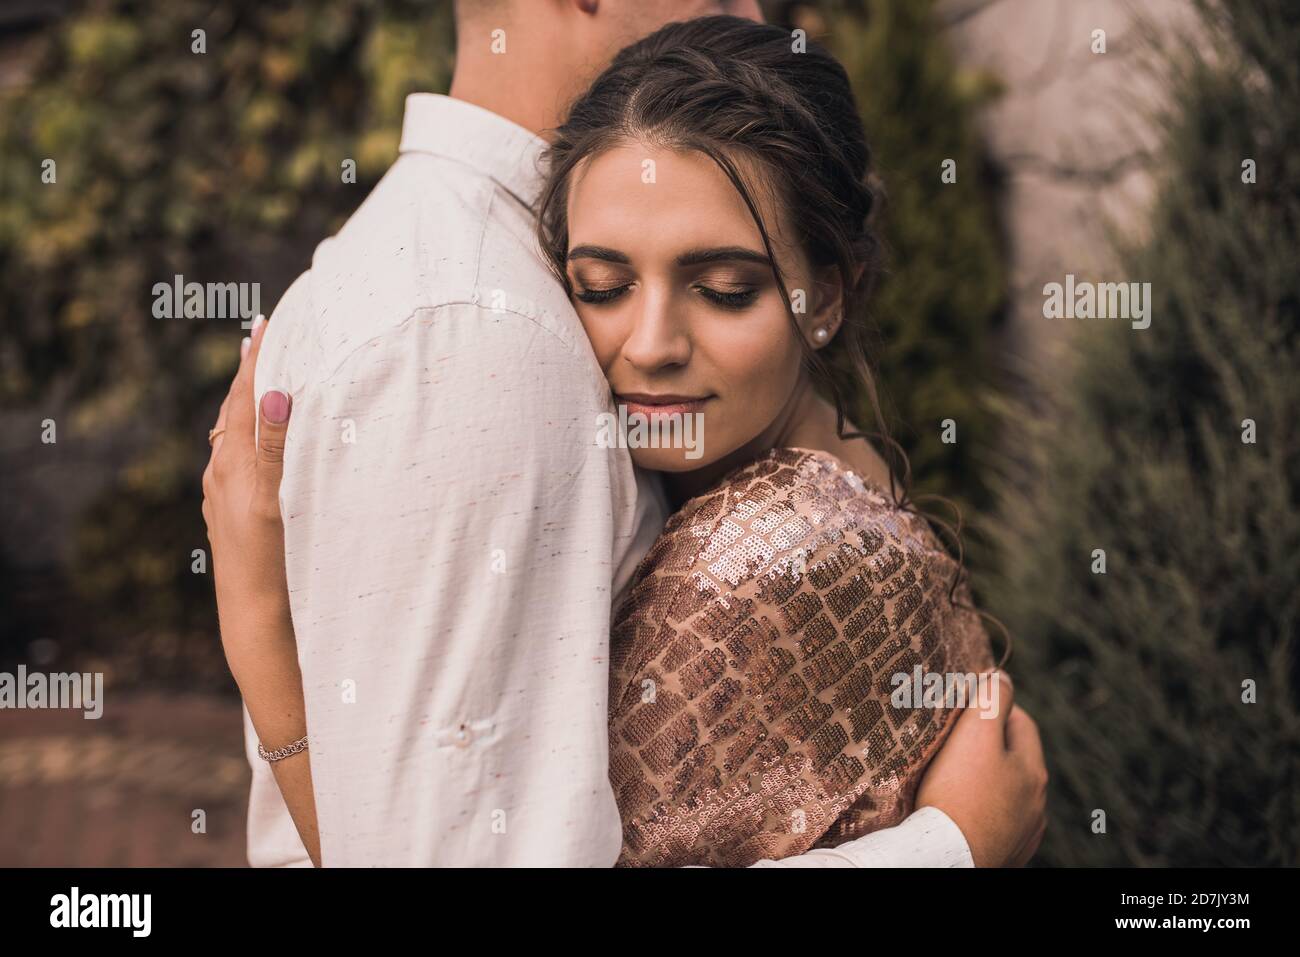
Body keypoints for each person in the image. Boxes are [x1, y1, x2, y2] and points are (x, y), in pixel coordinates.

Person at [202, 1, 1046, 868]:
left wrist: (267, 662)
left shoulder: (760, 555)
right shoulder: (469, 324)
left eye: (723, 287)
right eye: (601, 284)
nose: (649, 346)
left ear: (827, 295)